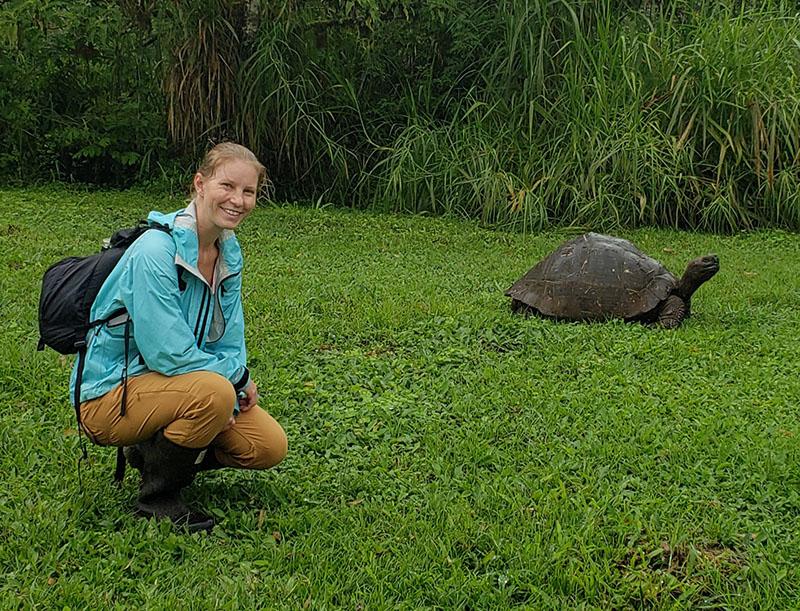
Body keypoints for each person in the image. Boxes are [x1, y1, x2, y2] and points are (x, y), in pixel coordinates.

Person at [71, 142, 287, 532]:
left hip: (179, 385)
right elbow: (167, 353)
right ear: (200, 184)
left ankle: (156, 450)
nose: (238, 200)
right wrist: (232, 382)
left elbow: (229, 337)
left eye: (249, 191)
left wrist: (235, 375)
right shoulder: (155, 250)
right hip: (109, 394)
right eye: (228, 186)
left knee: (268, 445)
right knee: (215, 394)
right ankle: (158, 498)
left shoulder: (228, 251)